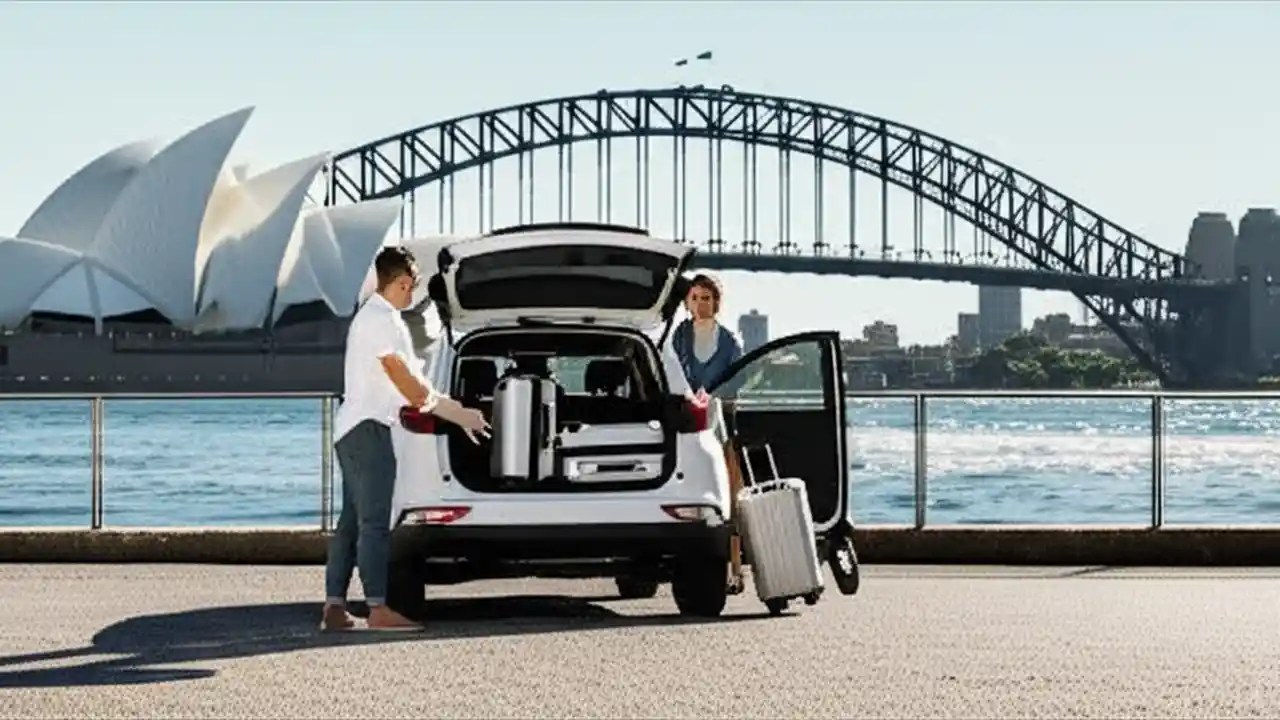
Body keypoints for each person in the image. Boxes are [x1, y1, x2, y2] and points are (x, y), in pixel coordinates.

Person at [322, 246, 490, 632]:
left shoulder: (371, 318)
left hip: (352, 429)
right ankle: (379, 610)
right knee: (374, 523)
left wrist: (454, 411)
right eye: (412, 286)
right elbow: (410, 387)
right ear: (400, 282)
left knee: (350, 522)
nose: (413, 295)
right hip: (370, 431)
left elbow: (418, 386)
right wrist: (457, 413)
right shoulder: (384, 320)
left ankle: (334, 607)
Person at [671, 273, 744, 394]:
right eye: (694, 298)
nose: (699, 303)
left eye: (705, 298)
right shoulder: (679, 337)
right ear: (687, 303)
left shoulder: (730, 342)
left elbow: (737, 381)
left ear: (716, 302)